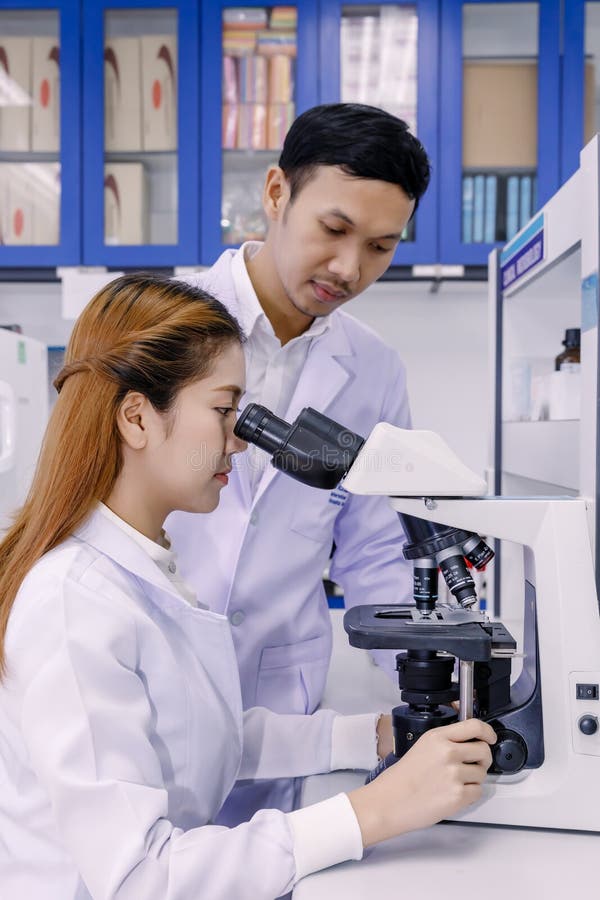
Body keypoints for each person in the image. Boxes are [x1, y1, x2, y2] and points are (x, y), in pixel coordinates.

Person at [0, 273, 495, 899]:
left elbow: (197, 733)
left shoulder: (143, 563)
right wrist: (375, 810)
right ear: (136, 417)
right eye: (223, 409)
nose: (240, 438)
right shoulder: (75, 603)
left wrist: (371, 734)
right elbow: (139, 878)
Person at [166, 103, 432, 822]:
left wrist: (429, 682)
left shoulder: (374, 368)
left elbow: (376, 551)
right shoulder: (157, 324)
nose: (350, 268)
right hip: (147, 684)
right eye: (334, 230)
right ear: (277, 192)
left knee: (271, 862)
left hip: (281, 706)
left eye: (380, 246)